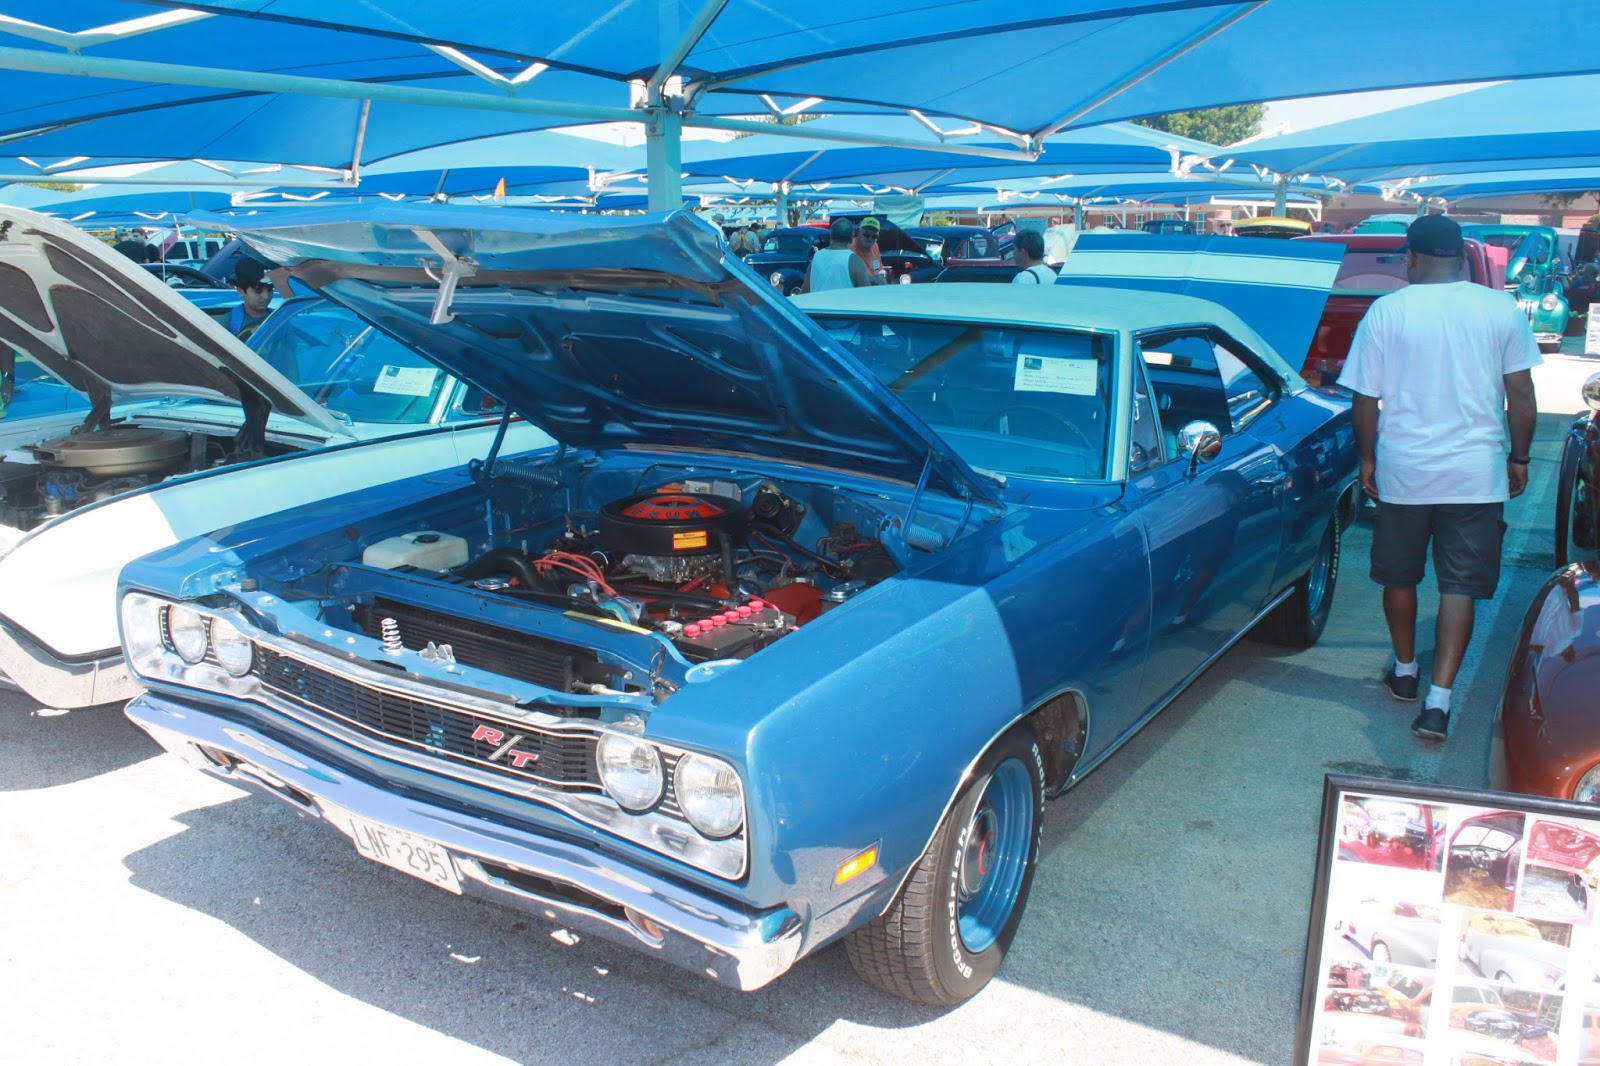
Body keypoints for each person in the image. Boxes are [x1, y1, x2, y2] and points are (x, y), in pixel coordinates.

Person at [1337, 213, 1540, 741]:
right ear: (1460, 258)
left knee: (1399, 576)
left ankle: (1405, 674)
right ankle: (1439, 702)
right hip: (1476, 473)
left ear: (1414, 257)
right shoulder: (1501, 309)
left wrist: (1367, 459)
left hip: (1406, 470)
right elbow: (1520, 394)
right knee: (1459, 587)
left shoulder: (1388, 311)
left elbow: (1365, 397)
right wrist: (1519, 458)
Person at [801, 218, 870, 292]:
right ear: (851, 238)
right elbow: (866, 294)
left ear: (831, 236)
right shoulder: (854, 260)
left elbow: (805, 291)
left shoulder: (816, 258)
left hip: (817, 303)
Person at [227, 258, 276, 341]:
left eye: (270, 290)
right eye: (258, 291)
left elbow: (289, 350)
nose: (266, 296)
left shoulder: (278, 318)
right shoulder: (229, 323)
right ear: (241, 291)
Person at [851, 216, 888, 284]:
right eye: (866, 235)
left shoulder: (875, 246)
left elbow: (879, 270)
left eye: (874, 237)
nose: (870, 239)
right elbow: (852, 277)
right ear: (859, 233)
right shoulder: (850, 248)